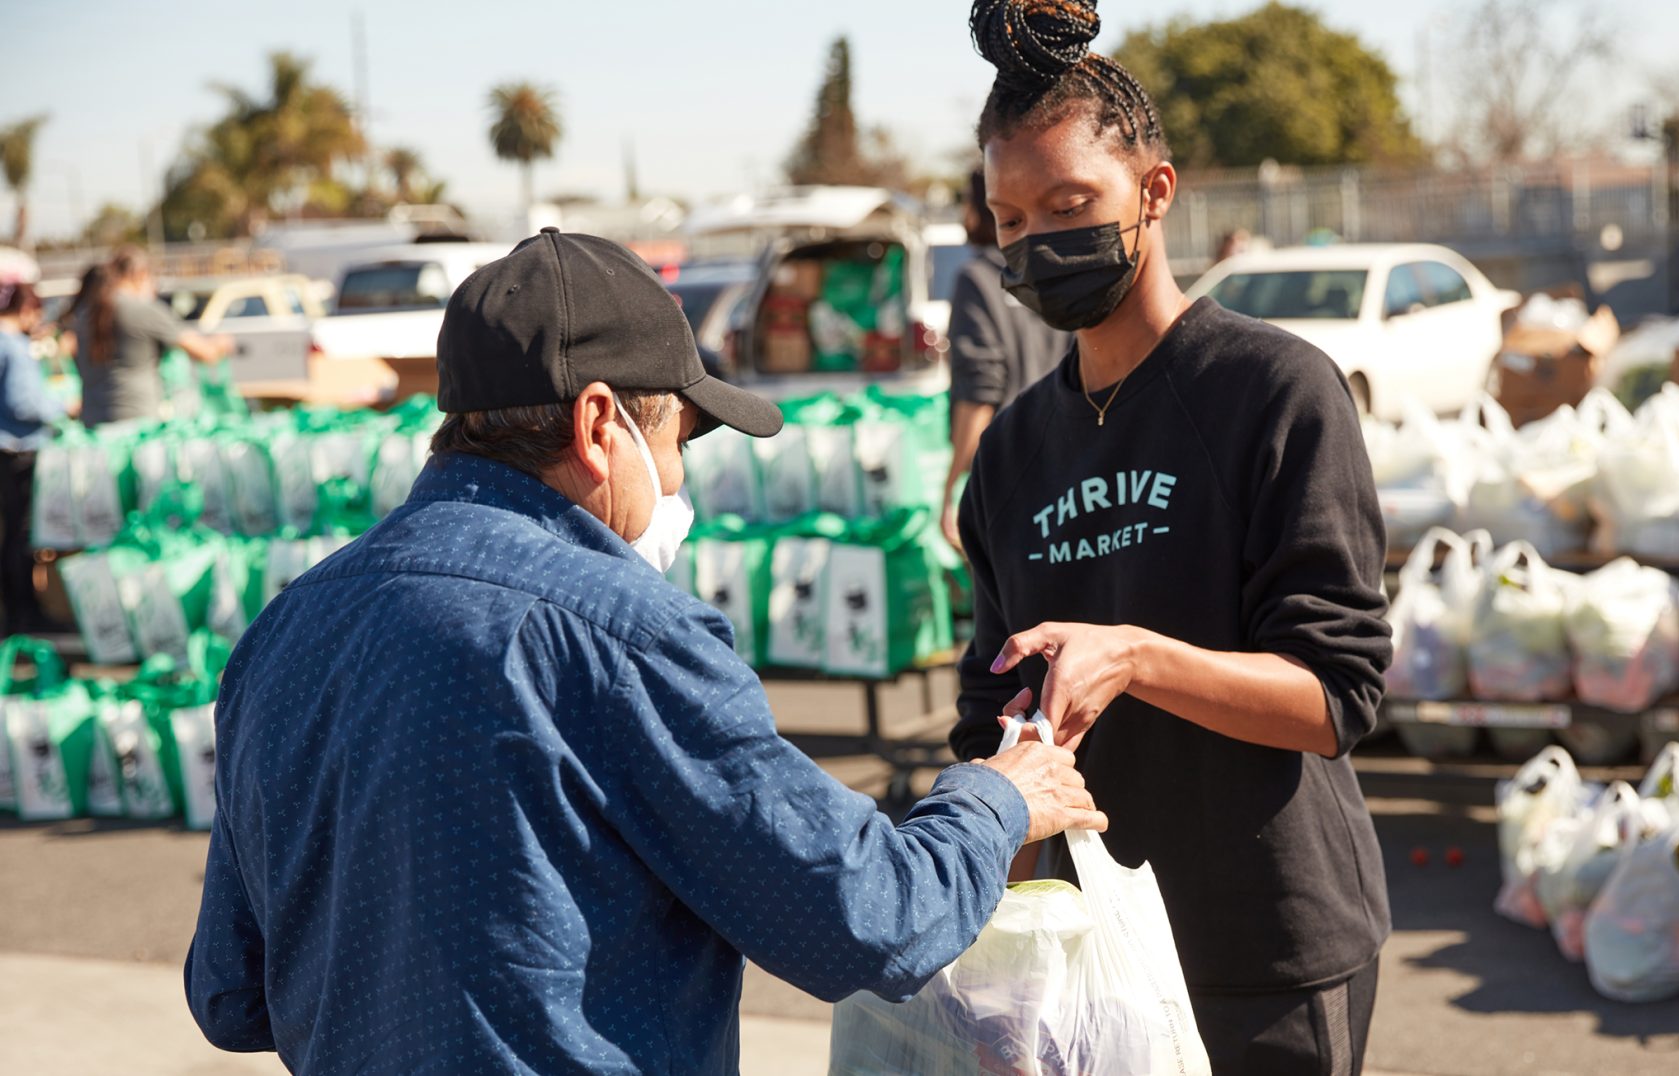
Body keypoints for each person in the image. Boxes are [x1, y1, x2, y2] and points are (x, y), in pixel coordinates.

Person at [185, 229, 1106, 1073]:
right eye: (678, 438)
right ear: (599, 427)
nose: (677, 480)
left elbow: (229, 994)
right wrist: (998, 797)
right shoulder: (623, 633)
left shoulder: (286, 630)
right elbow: (870, 921)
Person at [952, 2, 1394, 1072]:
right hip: (1084, 960)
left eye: (1068, 204)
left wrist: (1136, 656)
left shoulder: (1275, 390)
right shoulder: (1011, 453)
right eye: (1010, 221)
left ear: (1155, 193)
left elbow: (1338, 699)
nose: (1037, 243)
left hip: (1263, 950)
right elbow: (987, 710)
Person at [941, 168, 1071, 548]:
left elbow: (979, 392)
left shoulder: (976, 279)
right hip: (1069, 467)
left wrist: (951, 489)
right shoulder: (1054, 272)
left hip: (1008, 475)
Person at [74, 247, 232, 426]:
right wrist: (222, 343)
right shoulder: (142, 310)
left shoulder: (86, 313)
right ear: (141, 275)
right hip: (136, 421)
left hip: (92, 421)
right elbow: (206, 353)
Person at [0, 281, 65, 634]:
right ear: (26, 310)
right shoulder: (14, 347)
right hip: (19, 450)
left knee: (9, 532)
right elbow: (23, 402)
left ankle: (14, 610)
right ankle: (25, 613)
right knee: (22, 536)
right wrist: (60, 408)